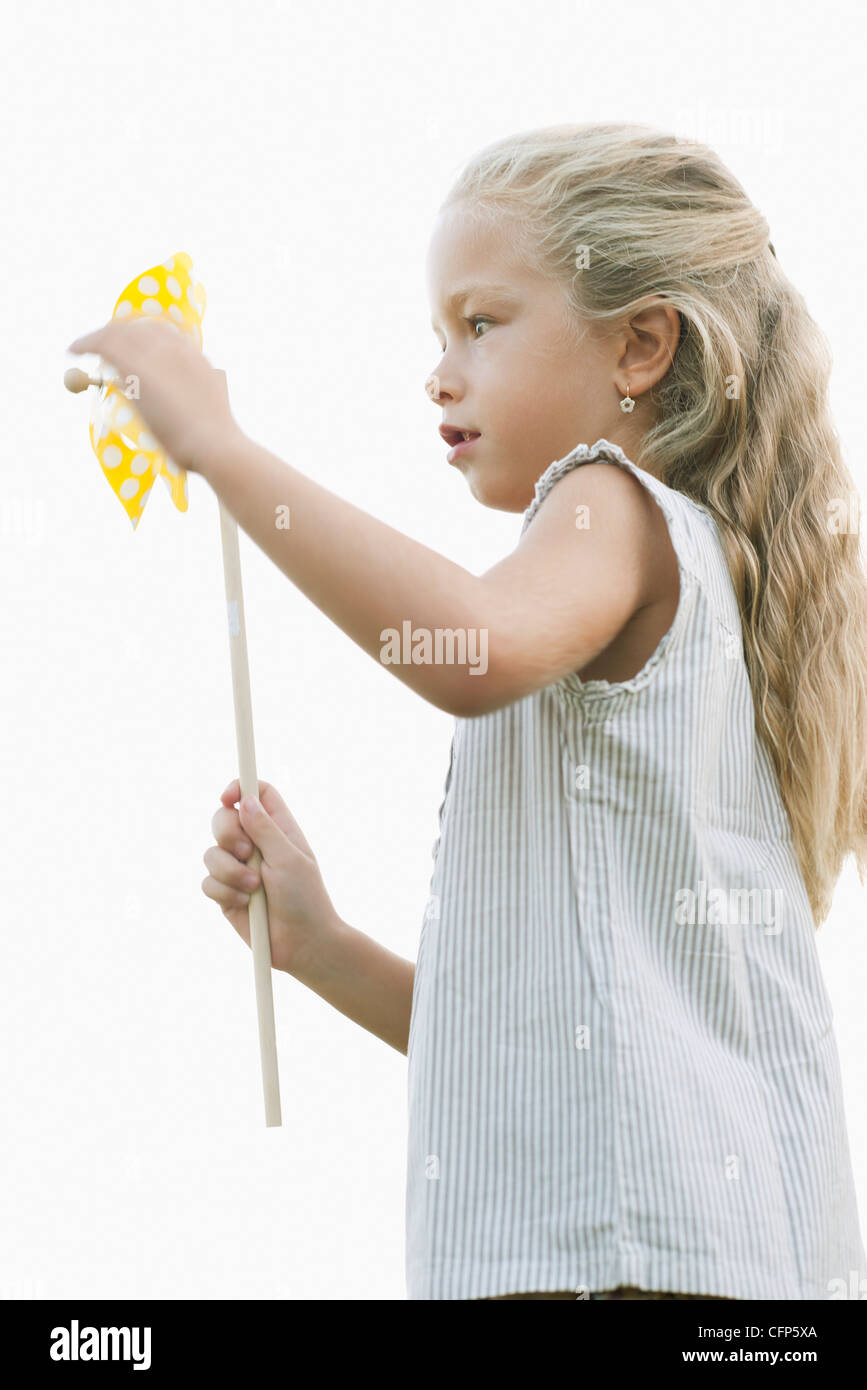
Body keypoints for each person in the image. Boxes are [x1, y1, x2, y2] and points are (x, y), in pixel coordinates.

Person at [67, 122, 867, 1302]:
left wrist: (219, 447)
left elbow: (471, 649)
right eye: (438, 336)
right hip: (725, 1263)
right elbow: (549, 1056)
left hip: (620, 1269)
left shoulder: (605, 505)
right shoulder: (717, 593)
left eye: (481, 323)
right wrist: (325, 950)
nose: (440, 372)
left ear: (641, 346)